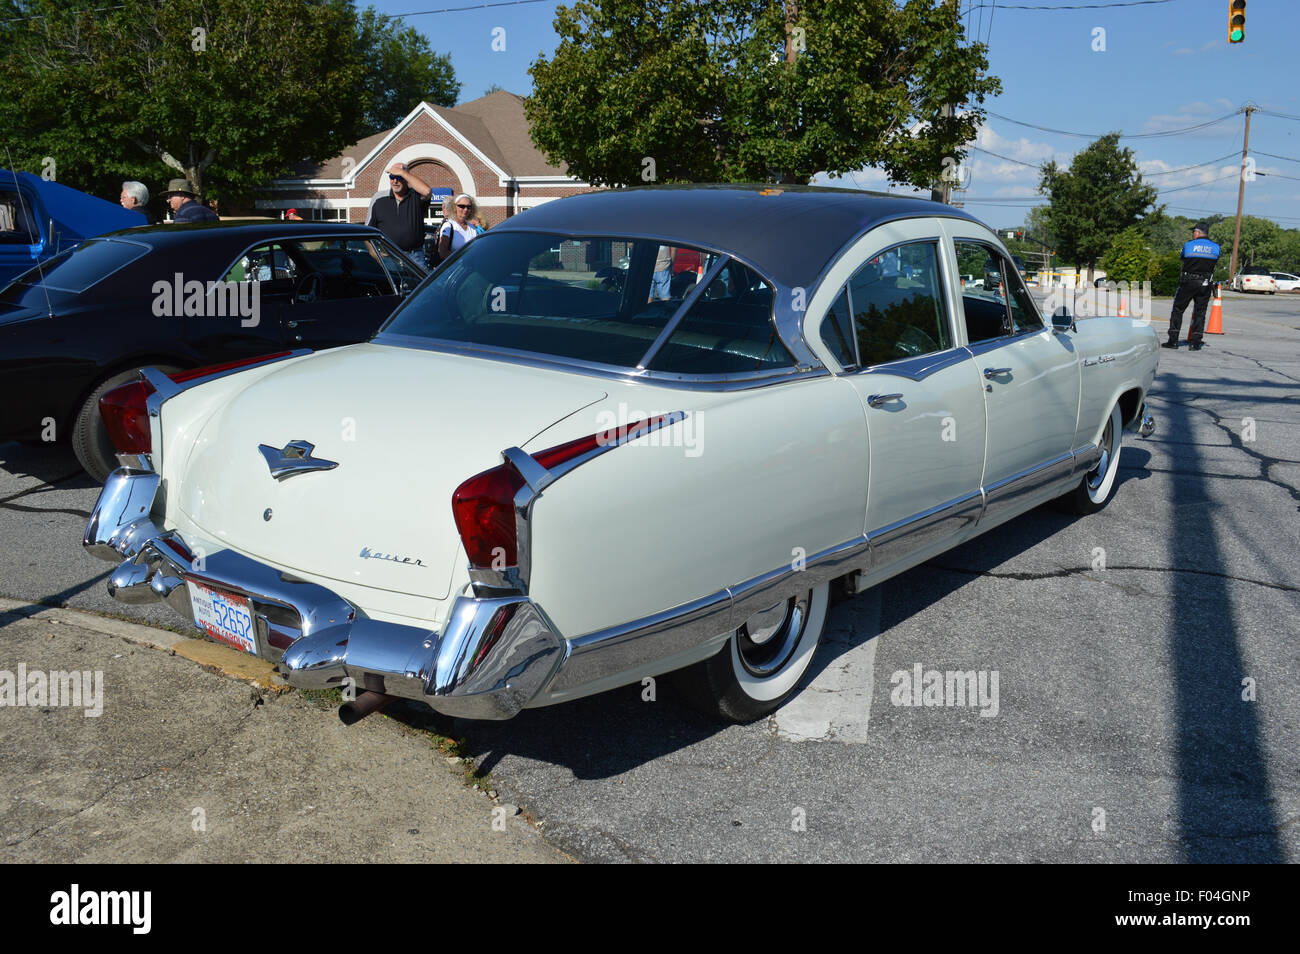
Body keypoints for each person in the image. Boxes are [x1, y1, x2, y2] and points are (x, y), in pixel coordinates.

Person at [1166, 221, 1220, 352]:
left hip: (1188, 282)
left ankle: (1173, 340)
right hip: (1206, 284)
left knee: (1178, 309)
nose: (1192, 234)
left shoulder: (1189, 245)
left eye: (1193, 232)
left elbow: (1183, 258)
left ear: (1197, 232)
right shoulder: (1216, 247)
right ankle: (1196, 343)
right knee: (1200, 312)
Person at [368, 162, 432, 262]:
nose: (395, 181)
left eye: (399, 177)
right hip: (388, 256)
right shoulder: (379, 199)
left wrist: (402, 172)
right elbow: (369, 230)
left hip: (414, 256)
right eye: (392, 177)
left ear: (406, 178)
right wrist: (373, 252)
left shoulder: (416, 197)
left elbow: (427, 191)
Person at [437, 193, 479, 260]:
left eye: (469, 207)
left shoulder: (473, 229)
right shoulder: (448, 225)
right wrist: (462, 259)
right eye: (462, 206)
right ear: (454, 207)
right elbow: (443, 253)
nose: (465, 209)